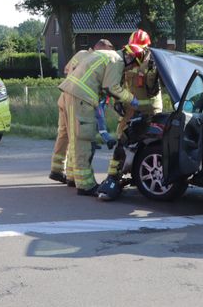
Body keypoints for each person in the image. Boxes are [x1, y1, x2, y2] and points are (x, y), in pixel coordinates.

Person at [55, 44, 141, 196]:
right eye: (133, 65)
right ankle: (86, 185)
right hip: (82, 98)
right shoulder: (118, 61)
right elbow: (111, 87)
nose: (130, 69)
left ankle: (74, 177)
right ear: (130, 58)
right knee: (83, 140)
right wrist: (132, 99)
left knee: (75, 139)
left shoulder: (107, 55)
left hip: (72, 94)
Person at [97, 31, 162, 201]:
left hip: (149, 110)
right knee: (121, 143)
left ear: (147, 47)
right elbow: (116, 82)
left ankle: (147, 176)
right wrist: (117, 101)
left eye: (138, 50)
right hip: (129, 110)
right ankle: (112, 178)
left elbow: (156, 89)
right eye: (132, 50)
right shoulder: (127, 60)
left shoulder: (155, 63)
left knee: (147, 145)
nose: (134, 53)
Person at [49, 40, 114, 185]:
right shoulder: (91, 58)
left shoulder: (81, 54)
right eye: (108, 50)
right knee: (76, 137)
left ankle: (57, 169)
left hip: (65, 97)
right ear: (102, 48)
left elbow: (66, 70)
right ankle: (73, 176)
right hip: (76, 99)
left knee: (64, 134)